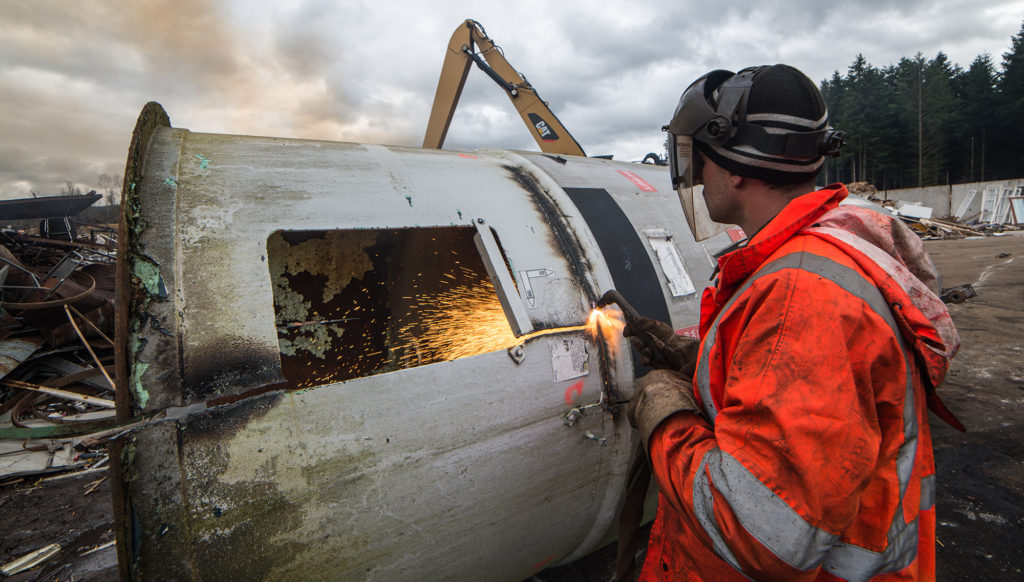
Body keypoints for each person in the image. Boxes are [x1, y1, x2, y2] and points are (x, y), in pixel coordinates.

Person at [623, 64, 962, 581]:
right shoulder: (822, 255)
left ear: (733, 164)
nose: (693, 176)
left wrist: (666, 420)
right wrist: (701, 365)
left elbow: (763, 534)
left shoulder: (803, 295)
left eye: (696, 157)